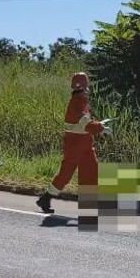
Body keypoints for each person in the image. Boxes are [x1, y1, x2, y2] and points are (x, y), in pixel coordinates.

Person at [37, 71, 105, 213]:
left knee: (90, 172)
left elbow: (85, 123)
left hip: (83, 145)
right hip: (76, 146)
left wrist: (98, 126)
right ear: (85, 84)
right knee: (67, 174)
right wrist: (100, 127)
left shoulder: (80, 99)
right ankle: (46, 198)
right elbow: (86, 123)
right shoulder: (78, 101)